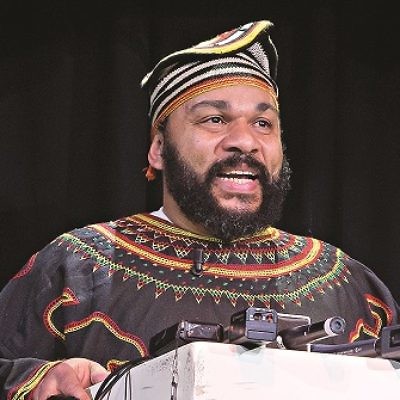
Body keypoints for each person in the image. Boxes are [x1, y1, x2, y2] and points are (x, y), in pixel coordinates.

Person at [0, 20, 399, 399]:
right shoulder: (76, 267)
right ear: (159, 149)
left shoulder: (346, 283)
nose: (245, 141)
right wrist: (35, 380)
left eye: (263, 123)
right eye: (214, 119)